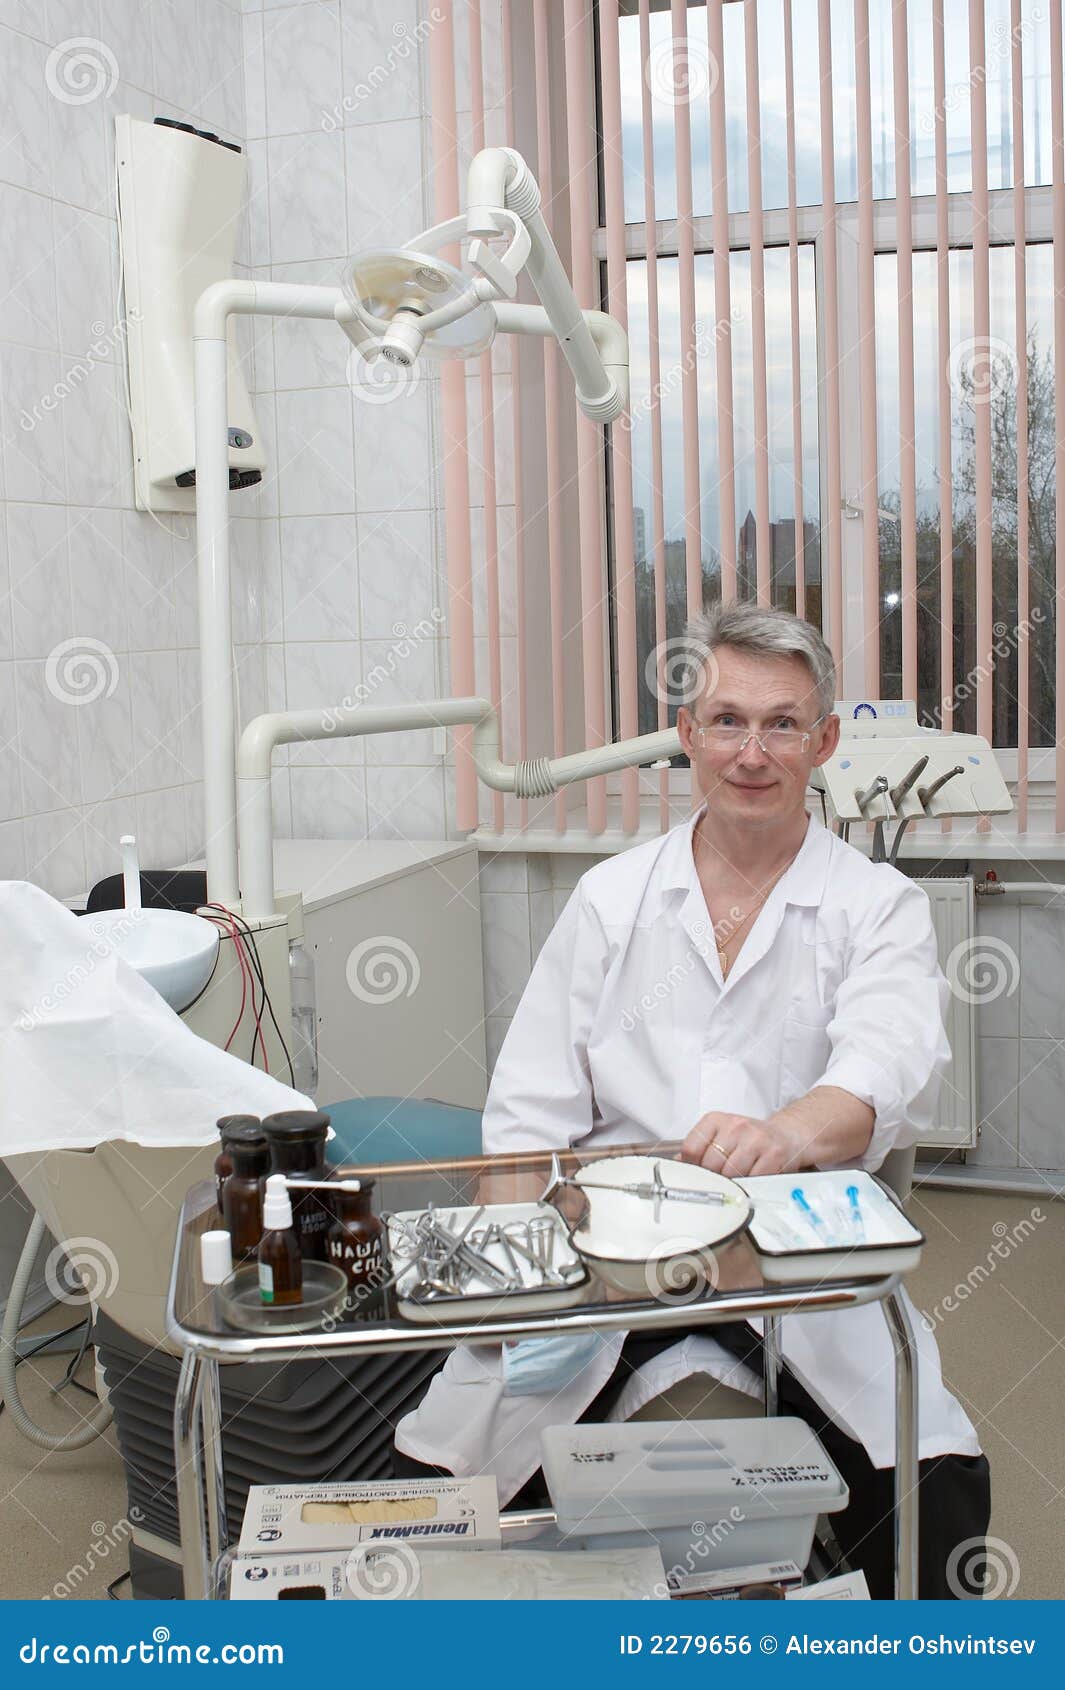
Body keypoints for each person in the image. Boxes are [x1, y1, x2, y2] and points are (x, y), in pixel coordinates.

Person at [395, 600, 990, 1598]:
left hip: (794, 1262)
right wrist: (512, 1277)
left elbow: (884, 1067)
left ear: (824, 740)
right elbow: (526, 1116)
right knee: (429, 1499)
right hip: (605, 1274)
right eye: (726, 721)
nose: (751, 752)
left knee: (940, 1499)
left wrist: (788, 1132)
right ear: (687, 735)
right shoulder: (611, 901)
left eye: (781, 723)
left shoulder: (875, 904)